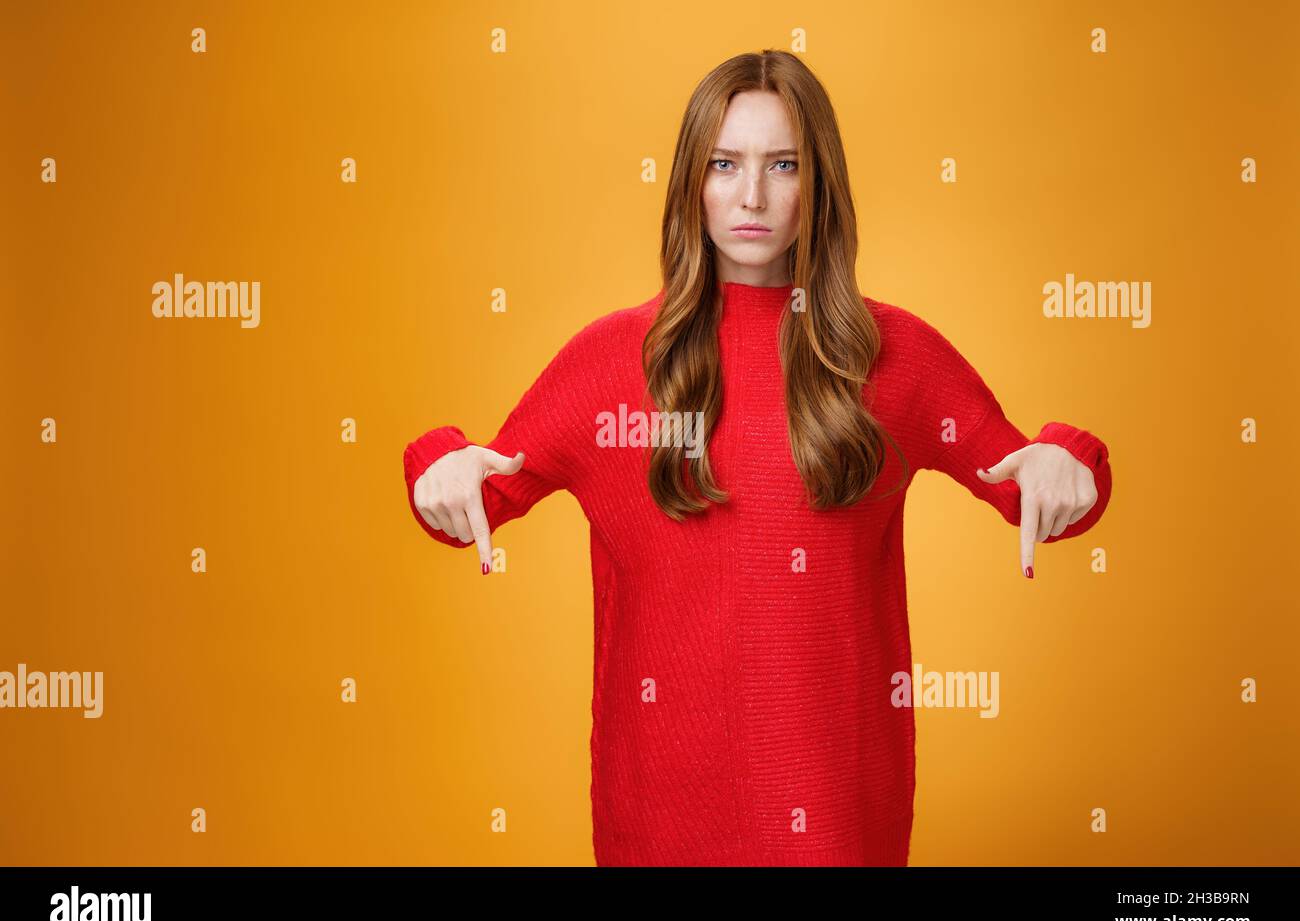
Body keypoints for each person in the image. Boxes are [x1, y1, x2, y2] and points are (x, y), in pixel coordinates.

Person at [403, 50, 1112, 866]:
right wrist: (441, 461)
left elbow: (1038, 486)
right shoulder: (609, 362)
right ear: (690, 183)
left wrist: (1066, 458)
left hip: (842, 825)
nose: (751, 196)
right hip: (658, 825)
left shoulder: (893, 356)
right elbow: (471, 502)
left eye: (783, 165)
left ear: (821, 185)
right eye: (724, 165)